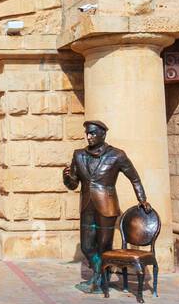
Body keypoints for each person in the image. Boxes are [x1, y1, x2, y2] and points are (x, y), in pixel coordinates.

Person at [62, 120, 153, 293]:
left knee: (104, 246)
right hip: (87, 205)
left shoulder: (117, 155)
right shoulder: (78, 155)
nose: (89, 137)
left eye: (93, 133)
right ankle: (98, 274)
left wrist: (142, 199)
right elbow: (73, 184)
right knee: (87, 246)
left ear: (103, 134)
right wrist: (67, 178)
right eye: (87, 133)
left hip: (107, 205)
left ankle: (99, 279)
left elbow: (134, 177)